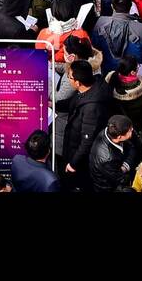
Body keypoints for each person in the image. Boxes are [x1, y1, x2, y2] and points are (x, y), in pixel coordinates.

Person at [61, 59, 114, 190]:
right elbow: (73, 101)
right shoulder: (89, 88)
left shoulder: (92, 108)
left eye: (70, 76)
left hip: (82, 160)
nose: (68, 78)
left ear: (78, 83)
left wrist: (73, 163)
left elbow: (87, 140)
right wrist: (53, 104)